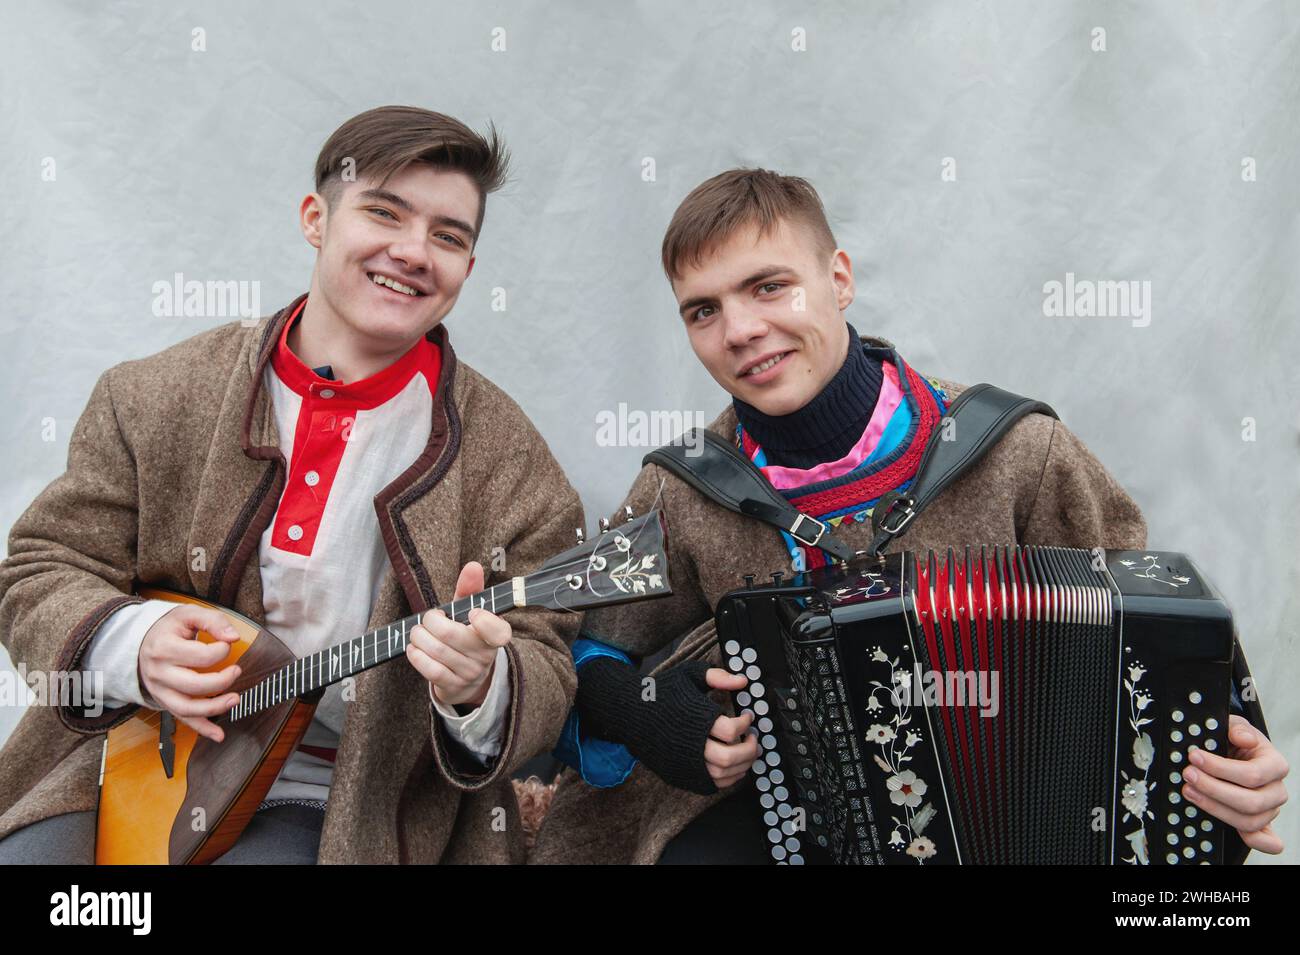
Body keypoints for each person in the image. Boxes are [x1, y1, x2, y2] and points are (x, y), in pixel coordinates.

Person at [531, 168, 1289, 864]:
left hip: (1020, 820)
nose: (738, 331)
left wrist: (1228, 744)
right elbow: (583, 655)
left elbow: (1150, 629)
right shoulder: (682, 492)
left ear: (839, 279)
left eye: (769, 287)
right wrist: (656, 719)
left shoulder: (1018, 453)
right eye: (704, 310)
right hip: (779, 831)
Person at [0, 106, 582, 864]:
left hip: (348, 799)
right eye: (384, 212)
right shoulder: (153, 393)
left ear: (467, 270)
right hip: (128, 758)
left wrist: (480, 681)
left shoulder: (514, 463)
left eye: (448, 236)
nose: (413, 251)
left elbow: (547, 662)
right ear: (317, 218)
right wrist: (133, 643)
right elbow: (40, 567)